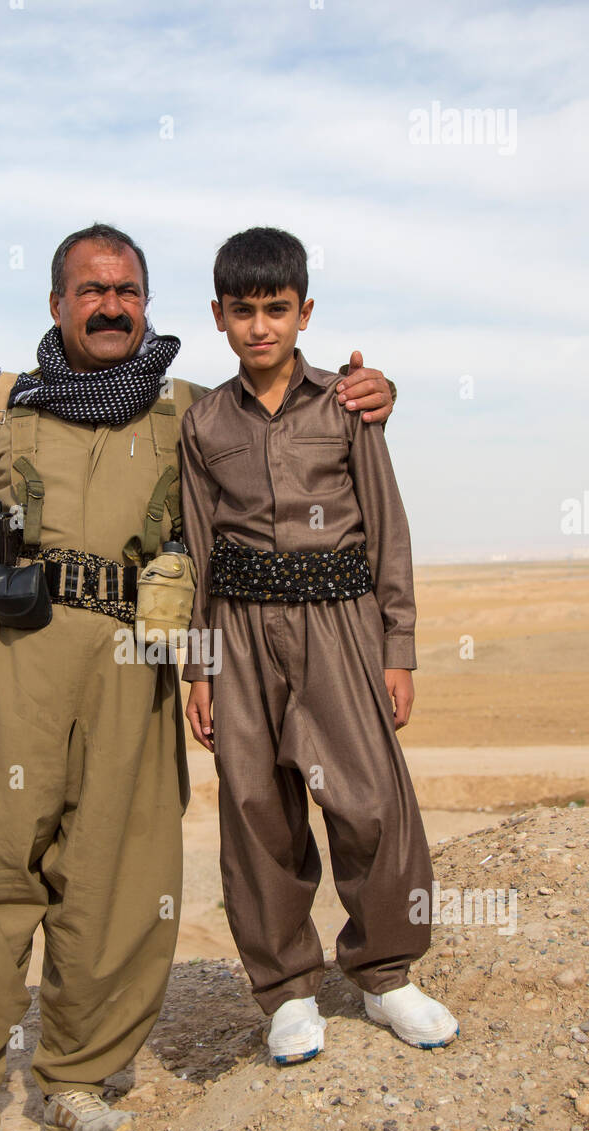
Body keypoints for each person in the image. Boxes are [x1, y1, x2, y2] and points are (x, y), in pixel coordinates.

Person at [0, 222, 399, 1131]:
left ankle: (78, 1080)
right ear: (56, 306)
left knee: (120, 885)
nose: (111, 305)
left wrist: (365, 394)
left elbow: (276, 425)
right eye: (90, 290)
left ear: (151, 303)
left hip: (136, 668)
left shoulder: (185, 411)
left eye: (127, 289)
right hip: (9, 665)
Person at [180, 226, 458, 1068]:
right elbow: (194, 548)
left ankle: (384, 973)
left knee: (370, 802)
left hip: (338, 624)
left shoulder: (346, 404)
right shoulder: (201, 423)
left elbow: (387, 529)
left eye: (275, 309)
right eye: (242, 311)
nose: (259, 326)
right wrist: (198, 665)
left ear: (304, 313)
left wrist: (396, 646)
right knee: (257, 810)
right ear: (219, 317)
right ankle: (287, 993)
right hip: (237, 630)